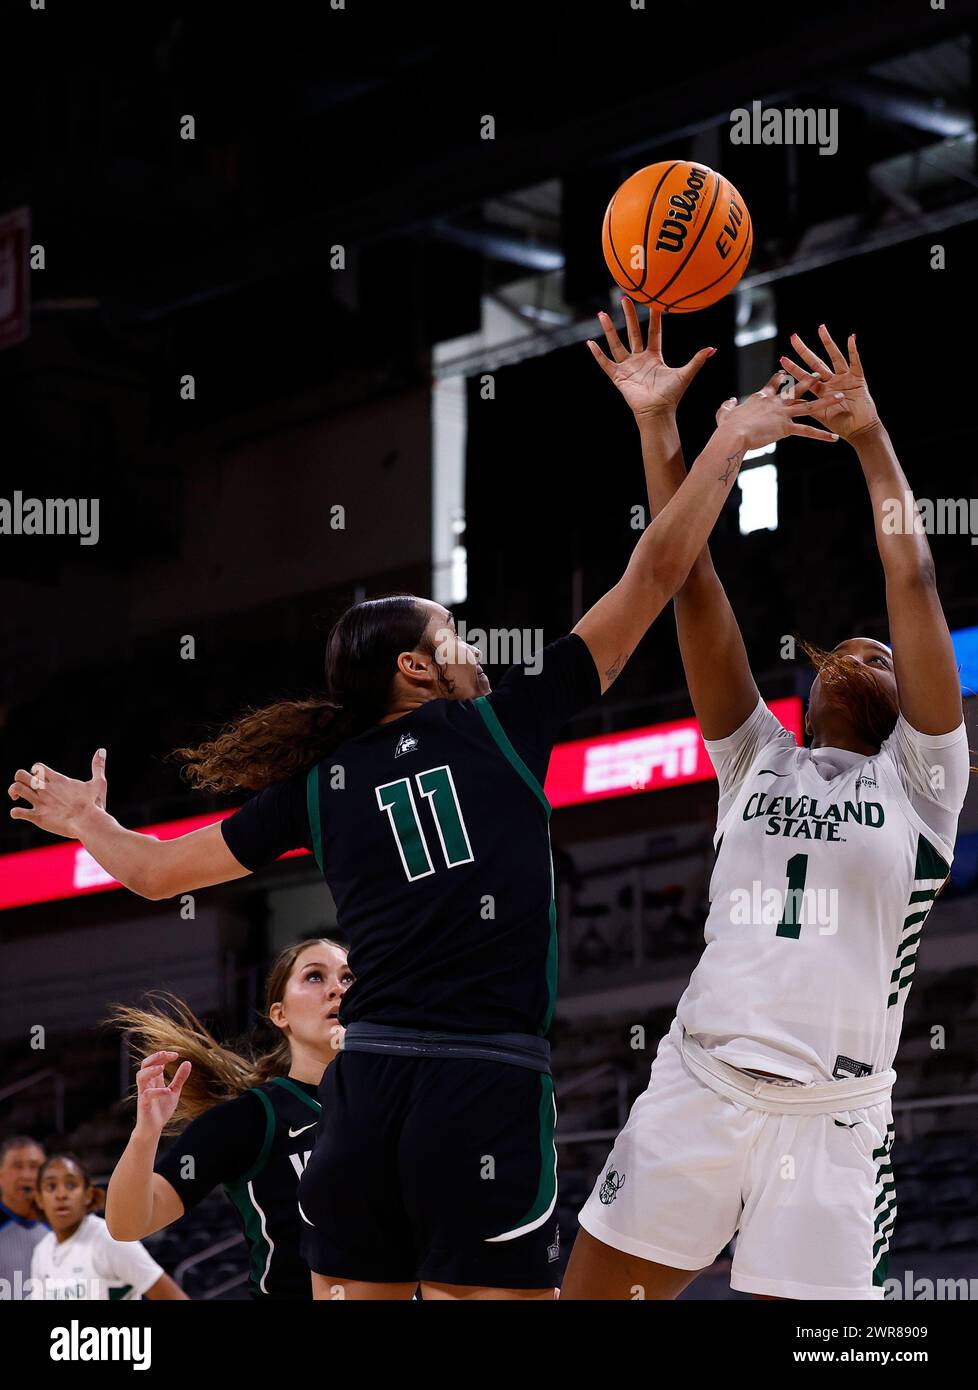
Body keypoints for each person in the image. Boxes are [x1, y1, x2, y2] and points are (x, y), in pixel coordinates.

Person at [9, 367, 838, 1300]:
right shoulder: (500, 725)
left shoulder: (319, 787)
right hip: (481, 1086)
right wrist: (729, 438)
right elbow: (655, 571)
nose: (472, 645)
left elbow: (157, 874)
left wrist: (89, 821)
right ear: (416, 666)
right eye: (454, 633)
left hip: (366, 1099)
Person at [562, 302, 971, 1301]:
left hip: (832, 1121)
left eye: (880, 653)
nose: (861, 653)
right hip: (697, 1088)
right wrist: (662, 428)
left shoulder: (922, 783)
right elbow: (688, 581)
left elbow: (910, 574)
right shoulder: (757, 762)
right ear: (807, 692)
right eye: (845, 652)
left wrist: (871, 438)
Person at [104, 938, 349, 1300]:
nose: (335, 990)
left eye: (348, 979)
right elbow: (129, 1224)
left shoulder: (396, 1102)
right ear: (280, 1014)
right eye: (314, 977)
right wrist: (146, 1132)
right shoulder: (250, 1118)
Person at [30, 1153, 184, 1299]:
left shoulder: (108, 1239)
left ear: (88, 1195)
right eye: (51, 1187)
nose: (61, 1194)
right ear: (39, 1199)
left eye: (71, 1185)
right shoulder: (41, 1251)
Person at [0, 1135, 47, 1299]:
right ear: (0, 1175)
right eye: (17, 1166)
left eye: (34, 1166)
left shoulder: (63, 1226)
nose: (26, 1175)